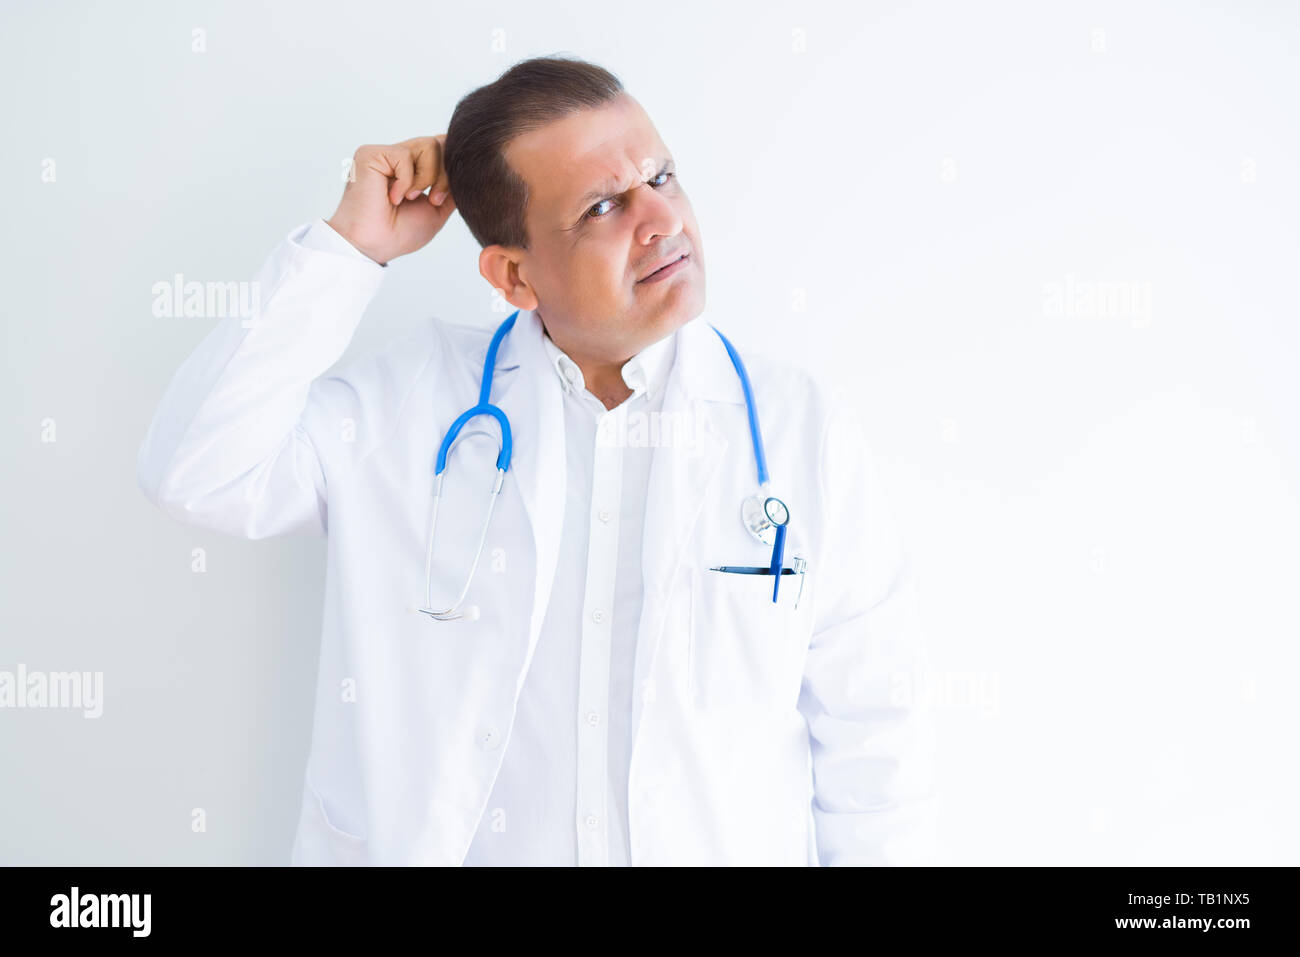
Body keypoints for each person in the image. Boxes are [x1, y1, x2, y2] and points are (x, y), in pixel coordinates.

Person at [136, 54, 935, 866]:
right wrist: (350, 251)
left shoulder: (799, 431)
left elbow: (875, 745)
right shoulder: (411, 405)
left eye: (662, 176)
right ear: (514, 275)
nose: (661, 219)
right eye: (603, 206)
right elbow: (196, 471)